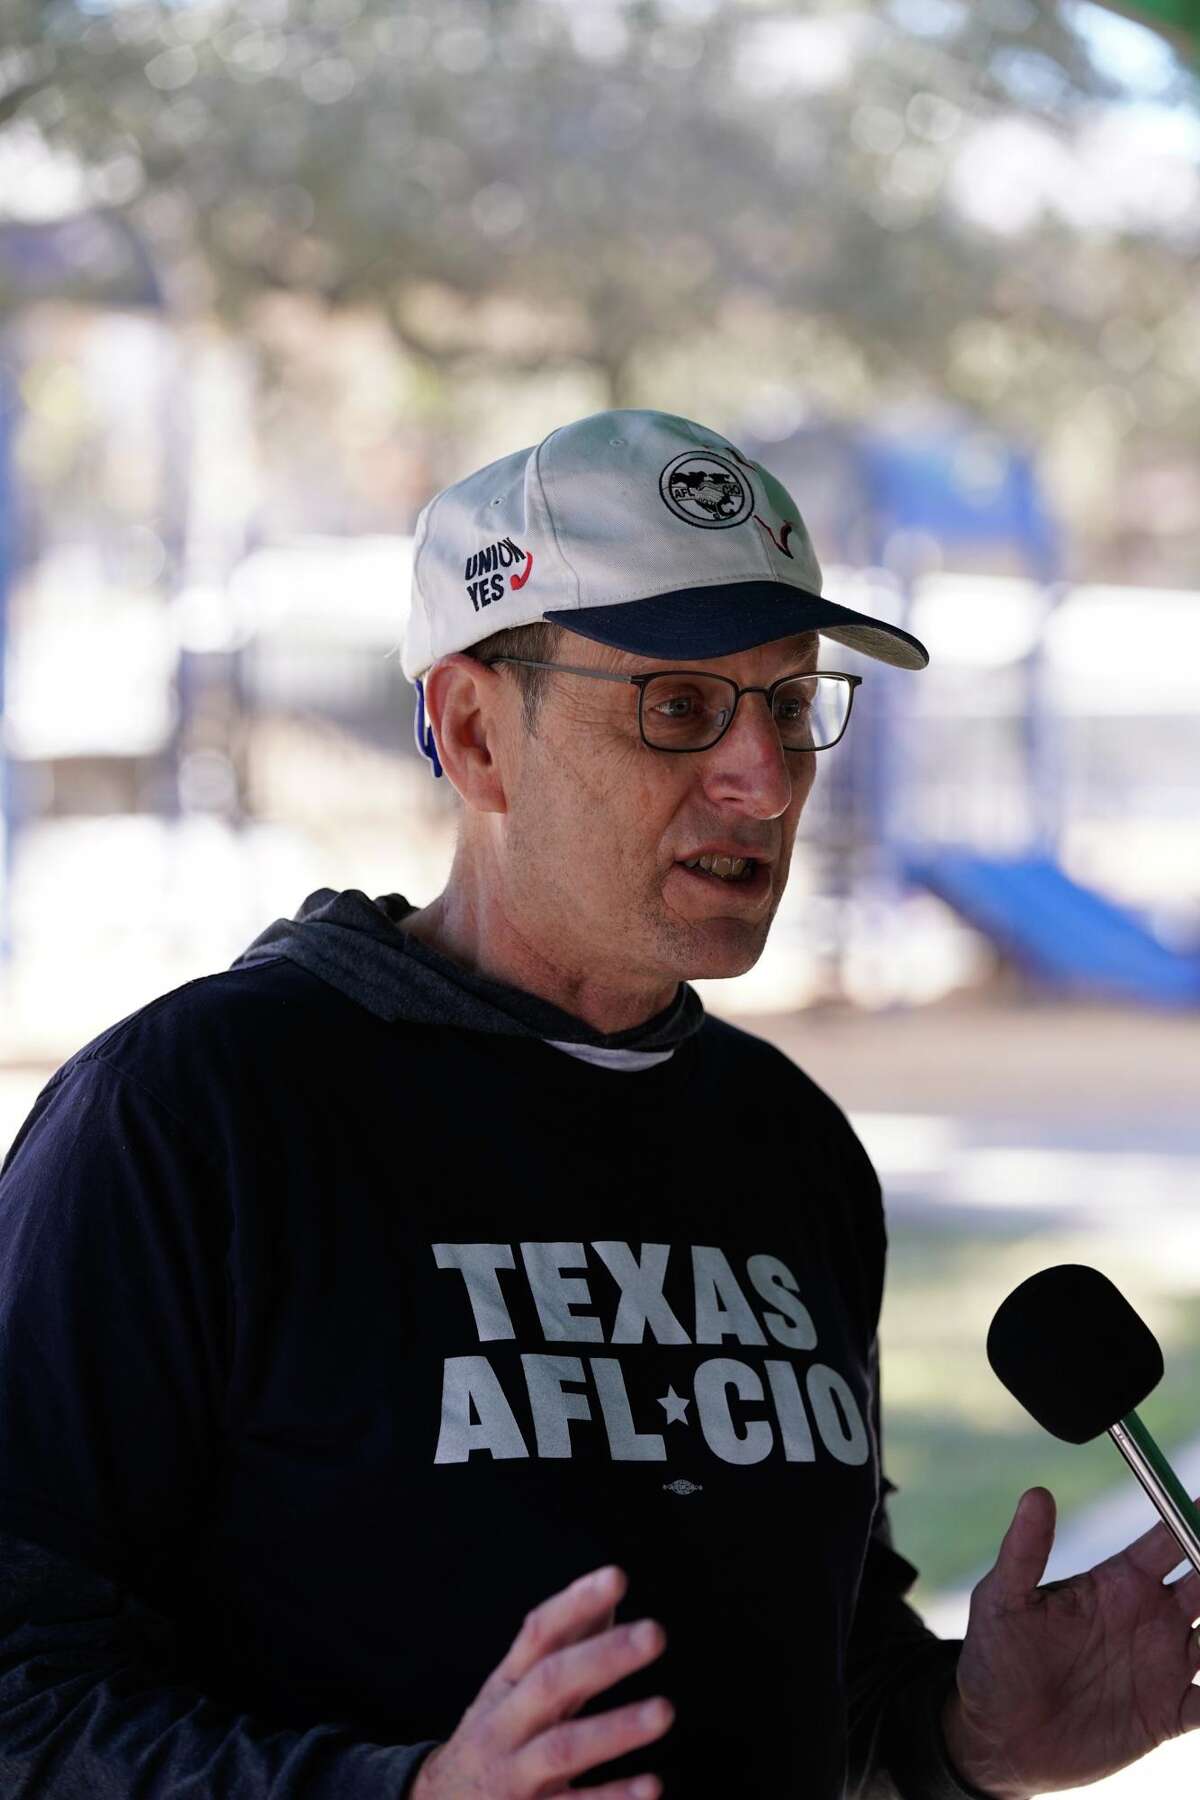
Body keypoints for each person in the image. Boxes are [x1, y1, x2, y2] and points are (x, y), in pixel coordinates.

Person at [2, 408, 1199, 1799]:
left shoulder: (788, 1148)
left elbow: (810, 1683)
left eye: (792, 703)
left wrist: (961, 1740)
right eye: (680, 708)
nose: (764, 779)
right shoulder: (188, 1120)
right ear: (472, 733)